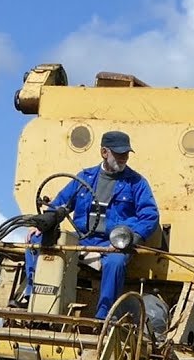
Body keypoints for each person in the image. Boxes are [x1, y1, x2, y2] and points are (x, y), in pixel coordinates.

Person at [22, 130, 160, 319]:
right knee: (35, 239)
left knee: (116, 261)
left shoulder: (136, 183)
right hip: (82, 240)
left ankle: (104, 317)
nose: (124, 158)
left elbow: (150, 216)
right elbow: (61, 203)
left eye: (126, 154)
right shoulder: (84, 177)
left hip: (112, 244)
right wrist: (44, 223)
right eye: (119, 154)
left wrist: (128, 239)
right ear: (104, 152)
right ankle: (31, 295)